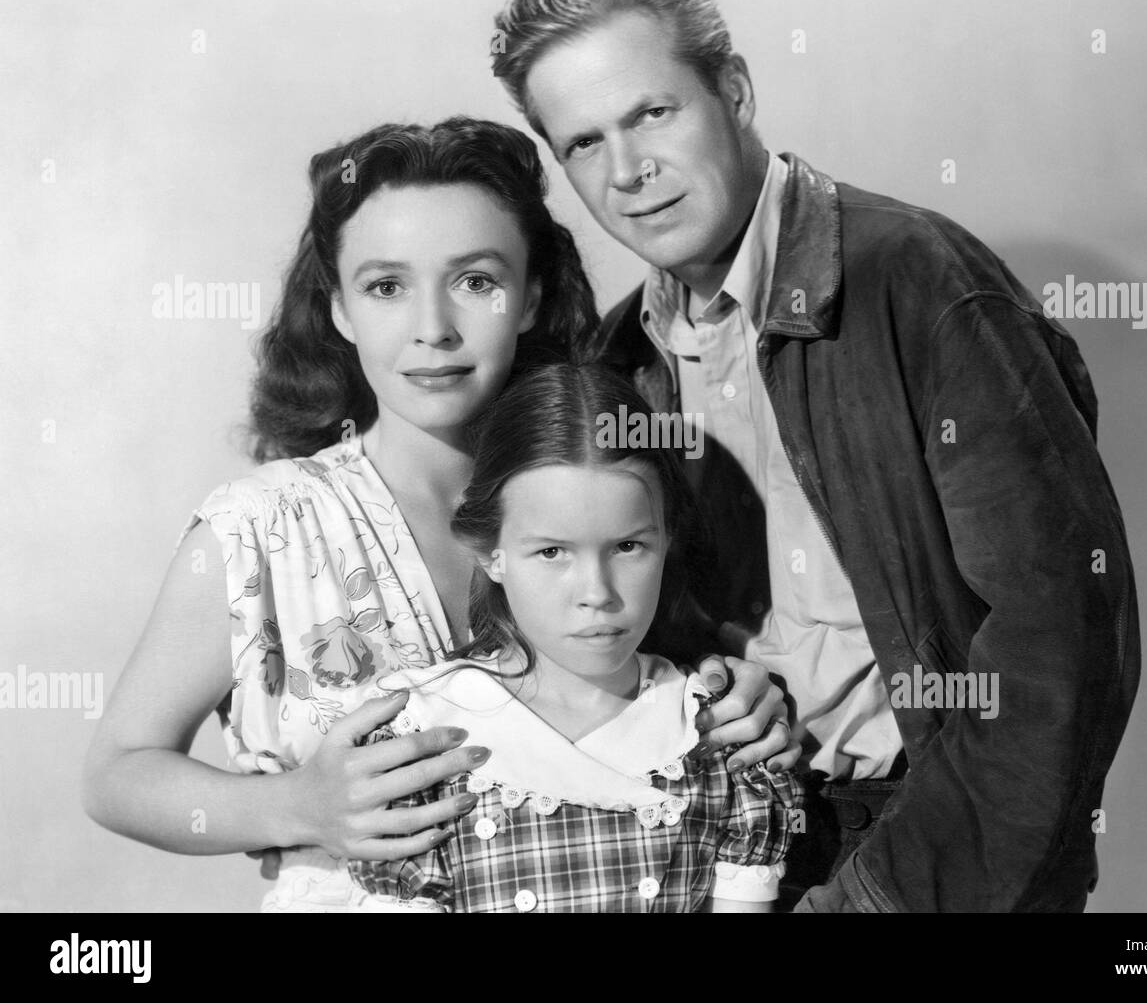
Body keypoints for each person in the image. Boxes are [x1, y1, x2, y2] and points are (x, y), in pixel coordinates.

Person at [491, 0, 1142, 912]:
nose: (627, 171)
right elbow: (641, 619)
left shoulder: (917, 281)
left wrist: (886, 893)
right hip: (735, 833)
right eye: (584, 143)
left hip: (934, 837)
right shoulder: (625, 354)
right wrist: (713, 685)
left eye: (652, 115)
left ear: (736, 90)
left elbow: (1062, 641)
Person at [81, 117, 794, 912]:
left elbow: (659, 700)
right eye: (386, 286)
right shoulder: (264, 529)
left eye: (476, 280)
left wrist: (734, 702)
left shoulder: (613, 478)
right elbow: (116, 773)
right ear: (340, 309)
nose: (433, 328)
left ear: (532, 297)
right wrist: (295, 805)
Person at [344, 363, 803, 912]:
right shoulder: (424, 738)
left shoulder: (717, 733)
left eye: (628, 547)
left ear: (667, 540)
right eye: (552, 552)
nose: (597, 592)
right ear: (491, 552)